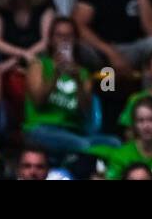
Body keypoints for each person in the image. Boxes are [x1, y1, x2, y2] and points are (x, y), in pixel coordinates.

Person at [22, 16, 97, 157]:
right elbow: (38, 101)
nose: (64, 40)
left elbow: (86, 111)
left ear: (75, 40)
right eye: (59, 35)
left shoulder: (83, 73)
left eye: (69, 36)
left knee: (114, 143)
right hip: (41, 128)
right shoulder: (39, 65)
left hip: (72, 130)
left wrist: (77, 80)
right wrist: (56, 73)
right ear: (50, 40)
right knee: (83, 145)